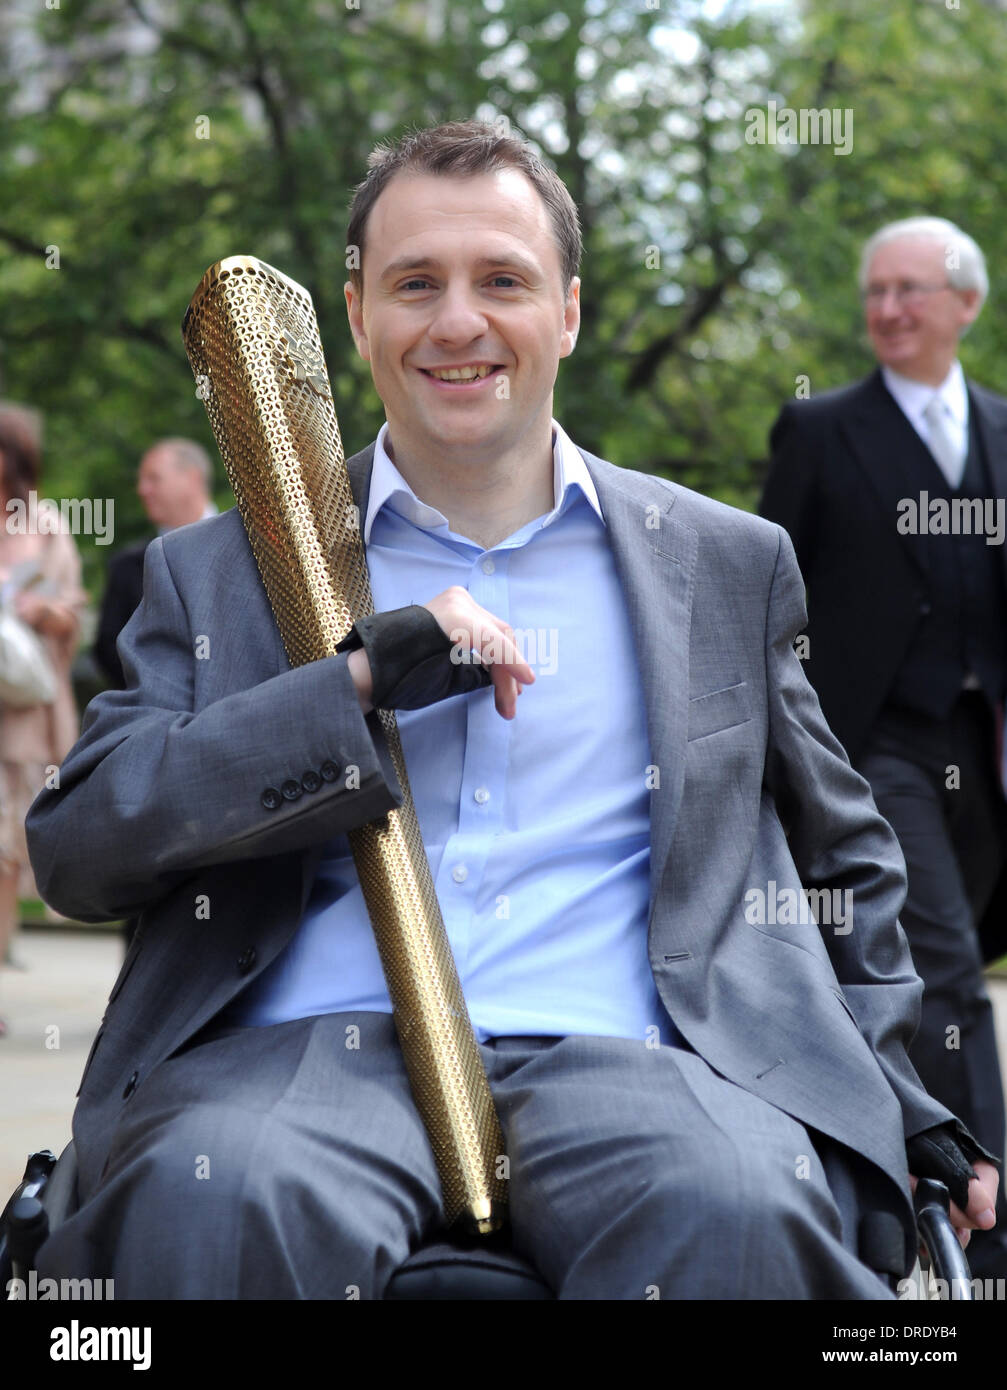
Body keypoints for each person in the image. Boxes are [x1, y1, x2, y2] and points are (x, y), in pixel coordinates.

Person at [25, 126, 1000, 1299]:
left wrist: (901, 1093)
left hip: (640, 1055)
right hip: (291, 1065)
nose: (456, 321)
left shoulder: (722, 563)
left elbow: (843, 853)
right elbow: (78, 850)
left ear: (569, 311)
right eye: (414, 284)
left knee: (741, 1208)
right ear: (357, 314)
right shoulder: (218, 573)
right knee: (218, 1194)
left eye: (501, 280)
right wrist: (348, 690)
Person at [760, 216, 1007, 1278]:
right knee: (946, 964)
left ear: (964, 304)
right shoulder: (819, 429)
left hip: (982, 738)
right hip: (870, 743)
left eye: (910, 290)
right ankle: (984, 1210)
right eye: (875, 292)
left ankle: (892, 1159)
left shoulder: (1001, 428)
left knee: (953, 952)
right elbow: (765, 589)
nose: (887, 310)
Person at [0, 404, 86, 1037]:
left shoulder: (48, 526)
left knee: (5, 852)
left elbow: (73, 619)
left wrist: (37, 611)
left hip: (24, 712)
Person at [94, 437, 216, 690]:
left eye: (154, 479)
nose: (142, 489)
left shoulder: (252, 548)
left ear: (192, 479)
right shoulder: (127, 565)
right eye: (141, 480)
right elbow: (108, 648)